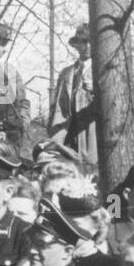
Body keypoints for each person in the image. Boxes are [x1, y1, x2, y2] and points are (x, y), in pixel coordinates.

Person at [50, 23, 95, 162]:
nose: (87, 46)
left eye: (90, 42)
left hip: (92, 137)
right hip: (68, 137)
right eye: (83, 42)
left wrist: (95, 91)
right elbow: (57, 109)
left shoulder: (101, 71)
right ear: (76, 44)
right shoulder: (66, 73)